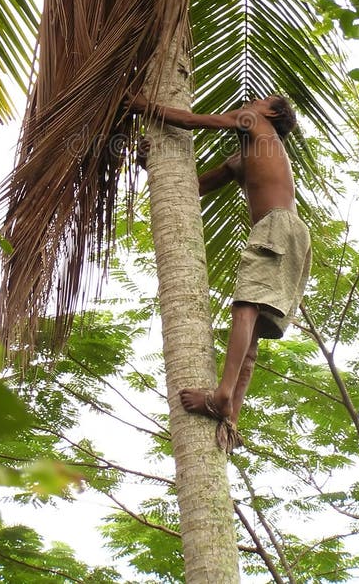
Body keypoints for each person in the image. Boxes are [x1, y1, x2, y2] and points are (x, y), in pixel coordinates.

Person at [128, 94, 312, 453]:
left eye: (262, 100)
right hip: (289, 233)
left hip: (278, 226)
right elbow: (191, 188)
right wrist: (154, 165)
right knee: (253, 328)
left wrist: (142, 105)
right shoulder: (245, 157)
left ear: (272, 114)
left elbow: (193, 121)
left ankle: (222, 396)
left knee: (245, 307)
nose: (253, 100)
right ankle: (230, 416)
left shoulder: (255, 123)